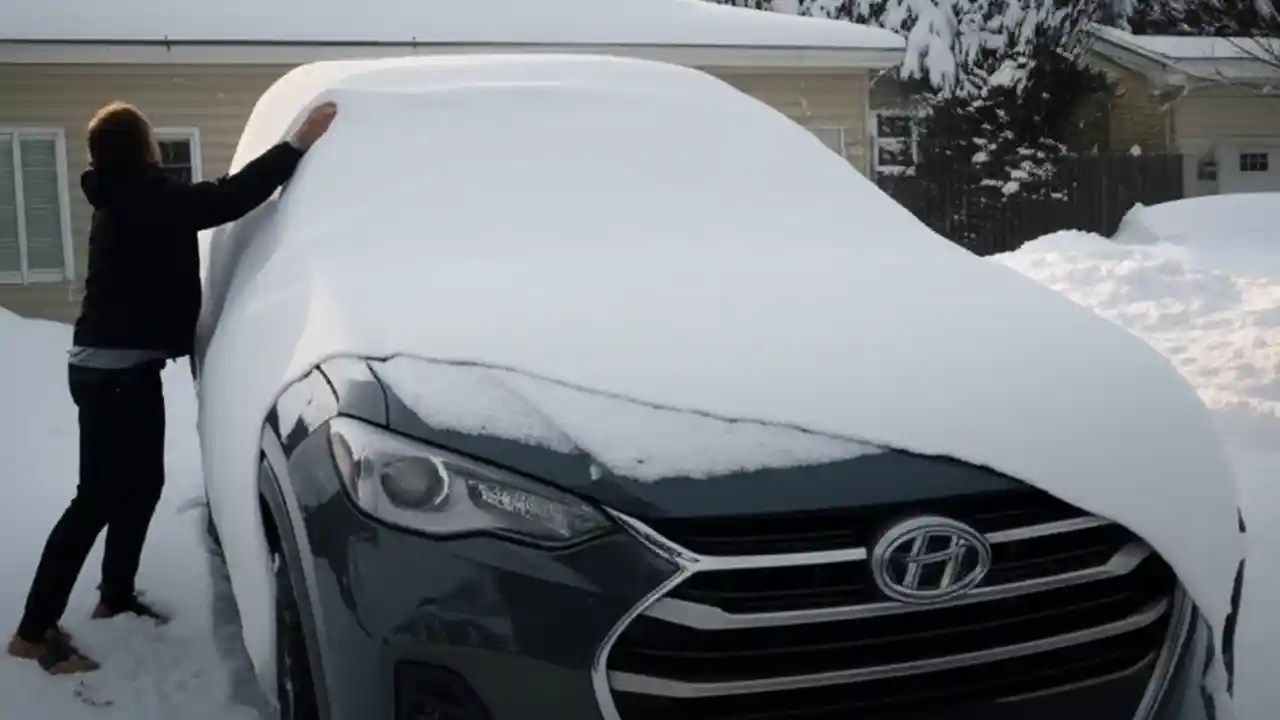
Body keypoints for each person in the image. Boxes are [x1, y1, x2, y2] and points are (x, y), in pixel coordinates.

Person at [6, 99, 338, 675]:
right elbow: (230, 197)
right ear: (142, 149)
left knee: (141, 484)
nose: (160, 145)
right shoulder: (143, 200)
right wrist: (298, 144)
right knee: (98, 498)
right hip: (113, 375)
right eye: (153, 138)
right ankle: (34, 631)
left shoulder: (129, 198)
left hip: (123, 370)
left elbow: (211, 199)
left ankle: (115, 595)